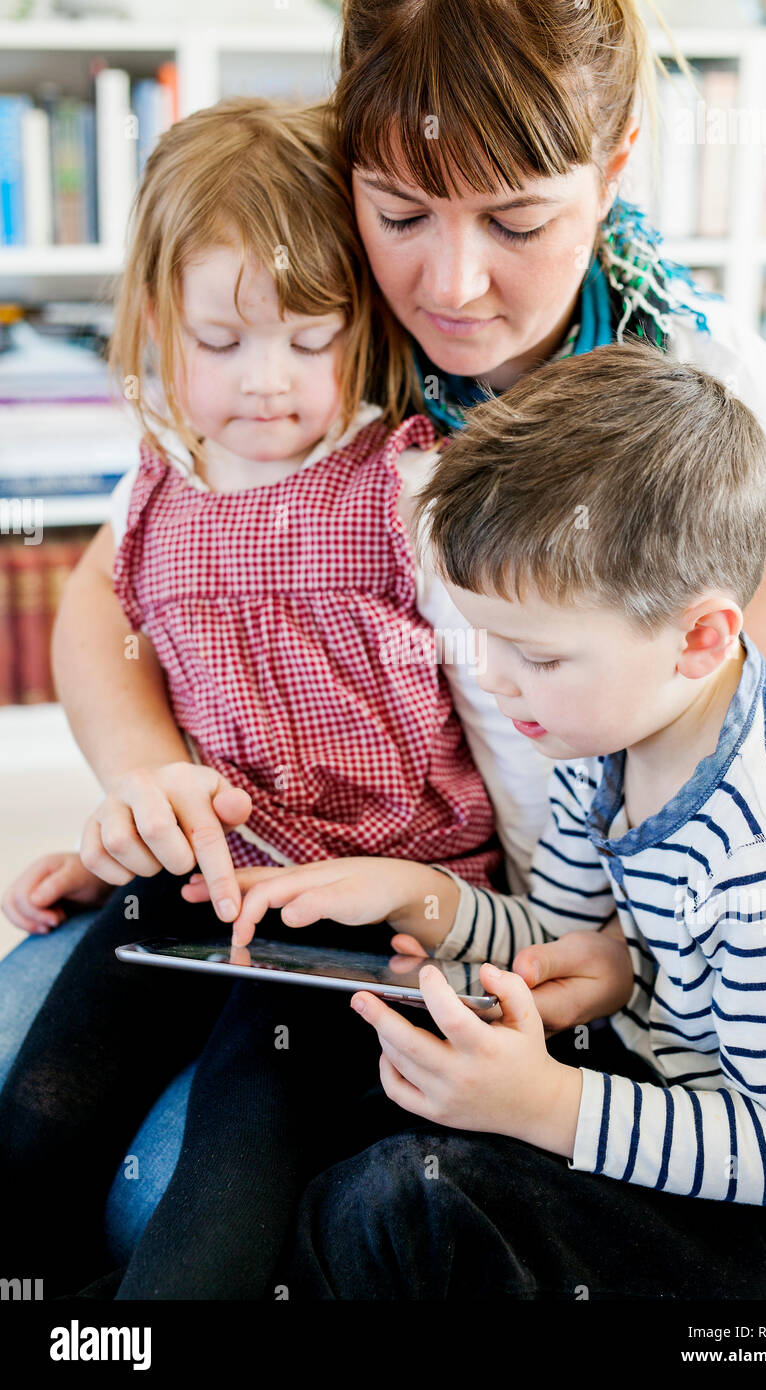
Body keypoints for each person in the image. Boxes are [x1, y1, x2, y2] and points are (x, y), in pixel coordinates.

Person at [0, 0, 766, 1259]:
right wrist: (146, 794)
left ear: (609, 170)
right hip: (295, 871)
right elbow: (112, 590)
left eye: (516, 220)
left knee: (190, 1195)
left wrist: (589, 969)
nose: (450, 284)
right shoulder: (317, 312)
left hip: (509, 931)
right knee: (30, 1080)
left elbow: (689, 803)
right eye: (400, 213)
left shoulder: (704, 414)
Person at [214, 342, 766, 1300]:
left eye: (536, 655)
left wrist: (548, 1104)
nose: (492, 676)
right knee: (368, 1078)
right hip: (662, 1093)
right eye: (482, 636)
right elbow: (558, 939)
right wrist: (416, 894)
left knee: (417, 1200)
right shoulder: (605, 724)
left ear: (701, 638)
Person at [0, 95, 505, 1300]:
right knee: (39, 1110)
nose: (264, 385)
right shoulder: (156, 479)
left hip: (357, 908)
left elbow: (522, 724)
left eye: (305, 336)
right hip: (198, 873)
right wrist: (130, 823)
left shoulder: (409, 491)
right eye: (218, 344)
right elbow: (130, 661)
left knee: (236, 1159)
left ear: (365, 321)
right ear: (158, 326)